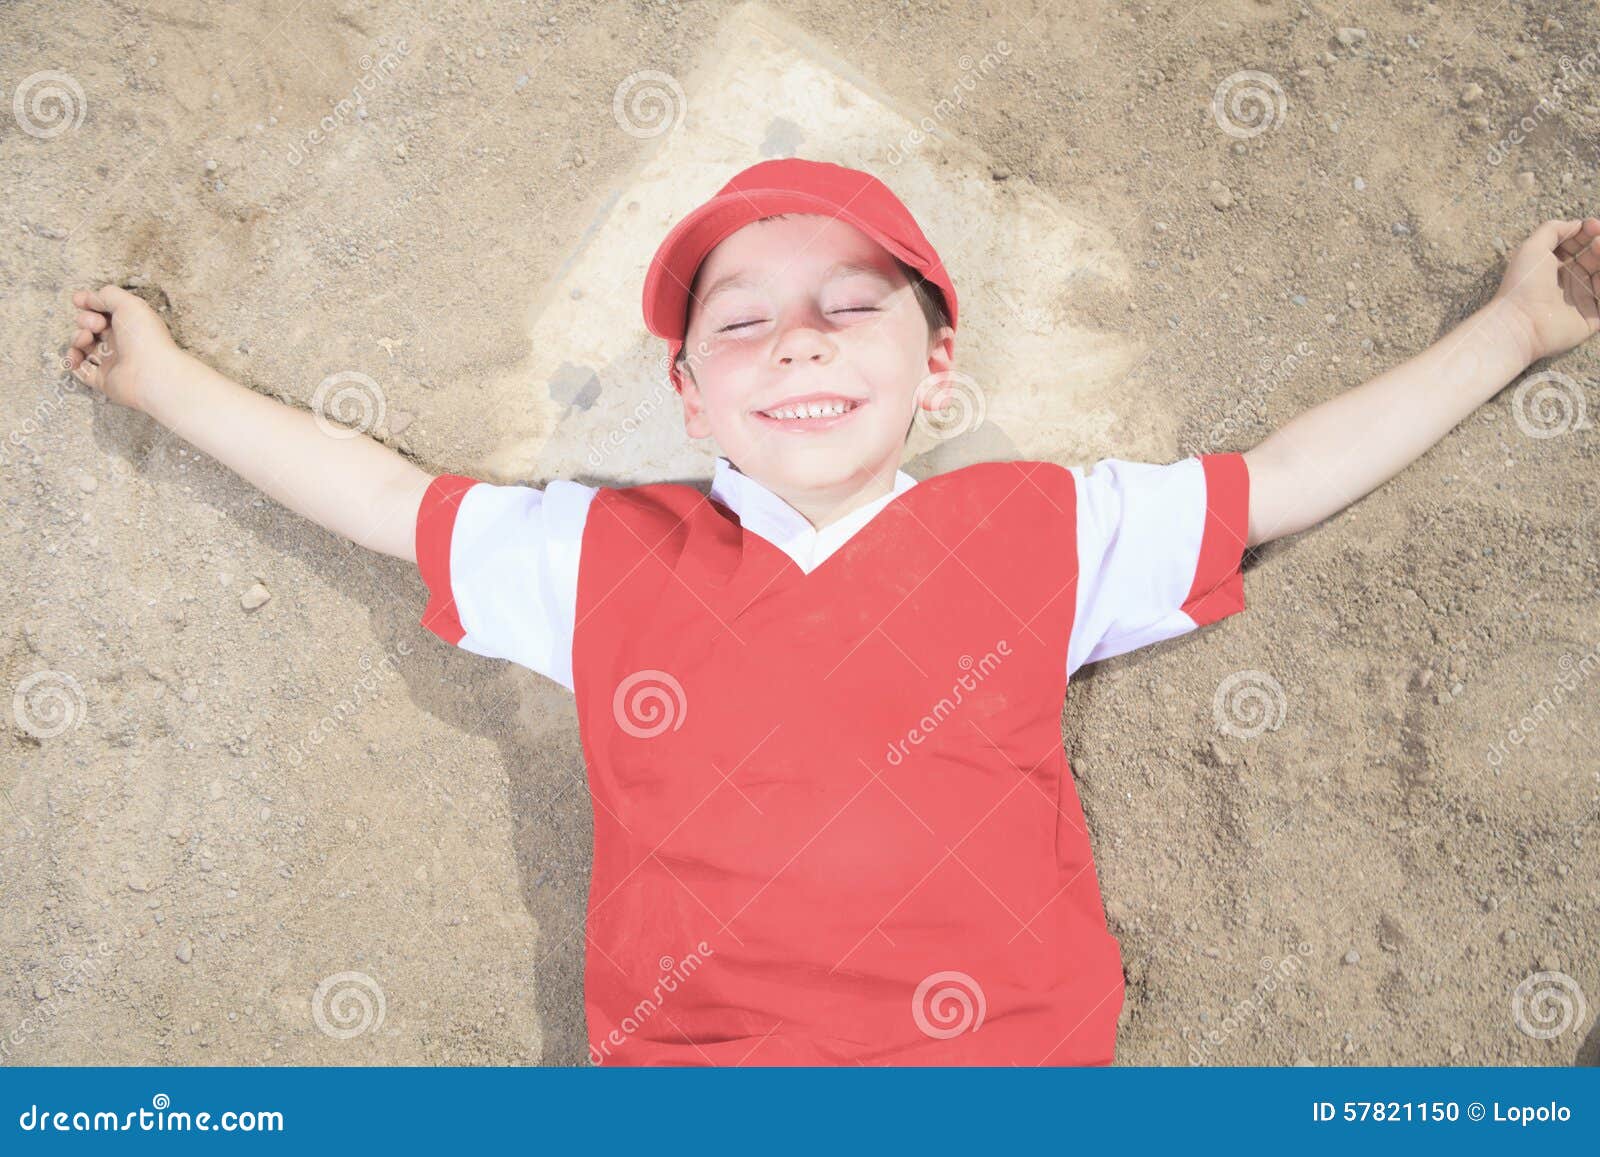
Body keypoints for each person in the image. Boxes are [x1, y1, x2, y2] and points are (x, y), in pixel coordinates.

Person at [62, 157, 1600, 1065]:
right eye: (742, 323)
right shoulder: (602, 552)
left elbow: (1272, 483)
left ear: (938, 372)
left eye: (851, 308)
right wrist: (162, 382)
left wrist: (1518, 330)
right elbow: (385, 500)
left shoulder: (1037, 526)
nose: (796, 343)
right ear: (689, 395)